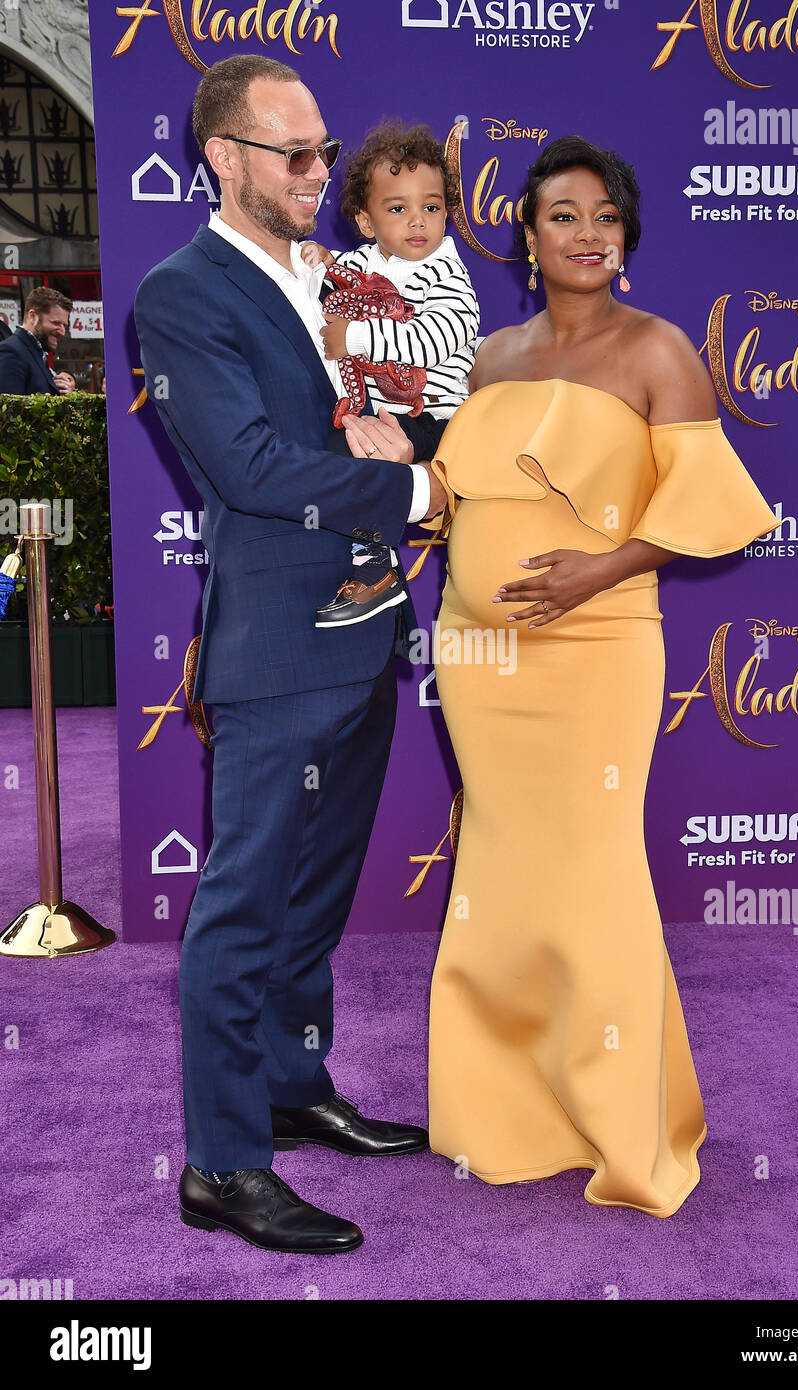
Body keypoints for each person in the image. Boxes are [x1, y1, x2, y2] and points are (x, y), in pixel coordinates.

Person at [426, 136, 780, 1216]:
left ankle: (631, 1130)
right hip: (477, 654)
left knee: (592, 876)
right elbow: (453, 497)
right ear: (524, 238)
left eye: (605, 219)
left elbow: (708, 506)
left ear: (625, 242)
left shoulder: (658, 351)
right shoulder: (489, 357)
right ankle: (510, 1121)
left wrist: (600, 569)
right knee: (499, 877)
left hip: (599, 648)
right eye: (562, 216)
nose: (585, 234)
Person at [134, 54, 446, 1255]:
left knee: (312, 897)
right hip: (276, 647)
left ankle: (287, 1082)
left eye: (325, 151)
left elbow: (383, 411)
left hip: (368, 633)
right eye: (297, 155)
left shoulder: (334, 282)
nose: (324, 173)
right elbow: (250, 470)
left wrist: (418, 432)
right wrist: (412, 482)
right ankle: (220, 1160)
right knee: (245, 906)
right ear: (224, 157)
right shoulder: (183, 293)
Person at [302, 120, 479, 629]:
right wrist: (316, 262)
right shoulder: (363, 262)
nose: (418, 222)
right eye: (397, 209)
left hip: (437, 418)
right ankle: (368, 562)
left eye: (431, 207)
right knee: (341, 450)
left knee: (366, 464)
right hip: (384, 412)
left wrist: (353, 339)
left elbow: (435, 338)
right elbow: (334, 292)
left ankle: (377, 567)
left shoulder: (446, 272)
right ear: (365, 220)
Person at [0, 287, 74, 394]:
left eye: (64, 326)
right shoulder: (10, 351)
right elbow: (8, 408)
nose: (62, 332)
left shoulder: (36, 353)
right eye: (56, 323)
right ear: (33, 316)